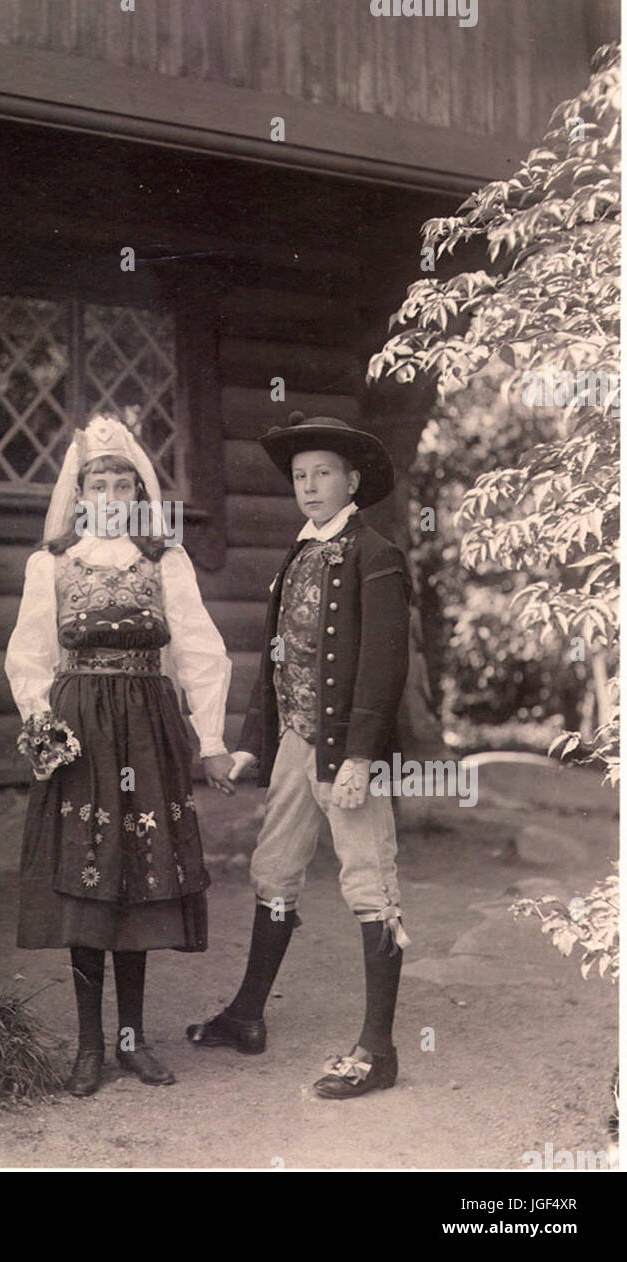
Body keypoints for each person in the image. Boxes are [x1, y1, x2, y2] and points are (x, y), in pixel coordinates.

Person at [5, 415, 234, 1097]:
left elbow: (200, 651)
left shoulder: (167, 562)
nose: (109, 493)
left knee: (137, 875)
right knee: (86, 875)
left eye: (121, 482)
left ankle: (132, 1041)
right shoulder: (50, 563)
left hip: (147, 726)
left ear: (140, 493)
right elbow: (29, 654)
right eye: (96, 482)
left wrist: (214, 742)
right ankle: (89, 1045)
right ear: (79, 494)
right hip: (81, 732)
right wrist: (42, 723)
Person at [186, 412, 412, 1099]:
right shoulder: (299, 555)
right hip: (294, 745)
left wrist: (361, 756)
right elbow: (278, 662)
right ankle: (248, 1015)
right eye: (300, 476)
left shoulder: (377, 554)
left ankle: (379, 1050)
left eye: (323, 475)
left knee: (370, 881)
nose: (309, 487)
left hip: (347, 752)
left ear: (352, 481)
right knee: (276, 870)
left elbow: (383, 666)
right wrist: (254, 742)